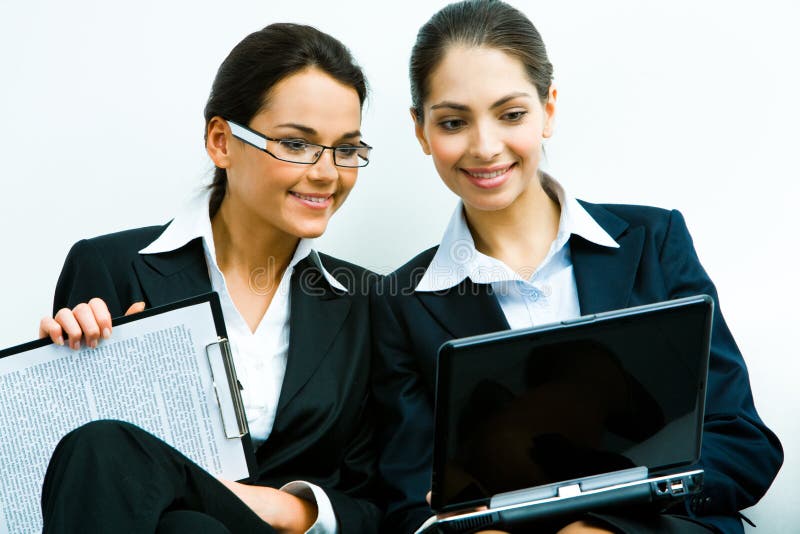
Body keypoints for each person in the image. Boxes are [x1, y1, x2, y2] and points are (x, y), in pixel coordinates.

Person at [370, 1, 783, 533]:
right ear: (421, 131)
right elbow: (407, 497)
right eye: (453, 122)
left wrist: (606, 523)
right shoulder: (400, 302)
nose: (485, 146)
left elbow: (740, 439)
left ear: (549, 109)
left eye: (511, 114)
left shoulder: (655, 242)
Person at [37, 23, 379, 533]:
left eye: (346, 149)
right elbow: (70, 482)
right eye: (295, 144)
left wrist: (289, 509)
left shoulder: (368, 304)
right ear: (221, 141)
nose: (327, 173)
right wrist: (65, 377)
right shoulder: (111, 268)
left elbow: (378, 506)